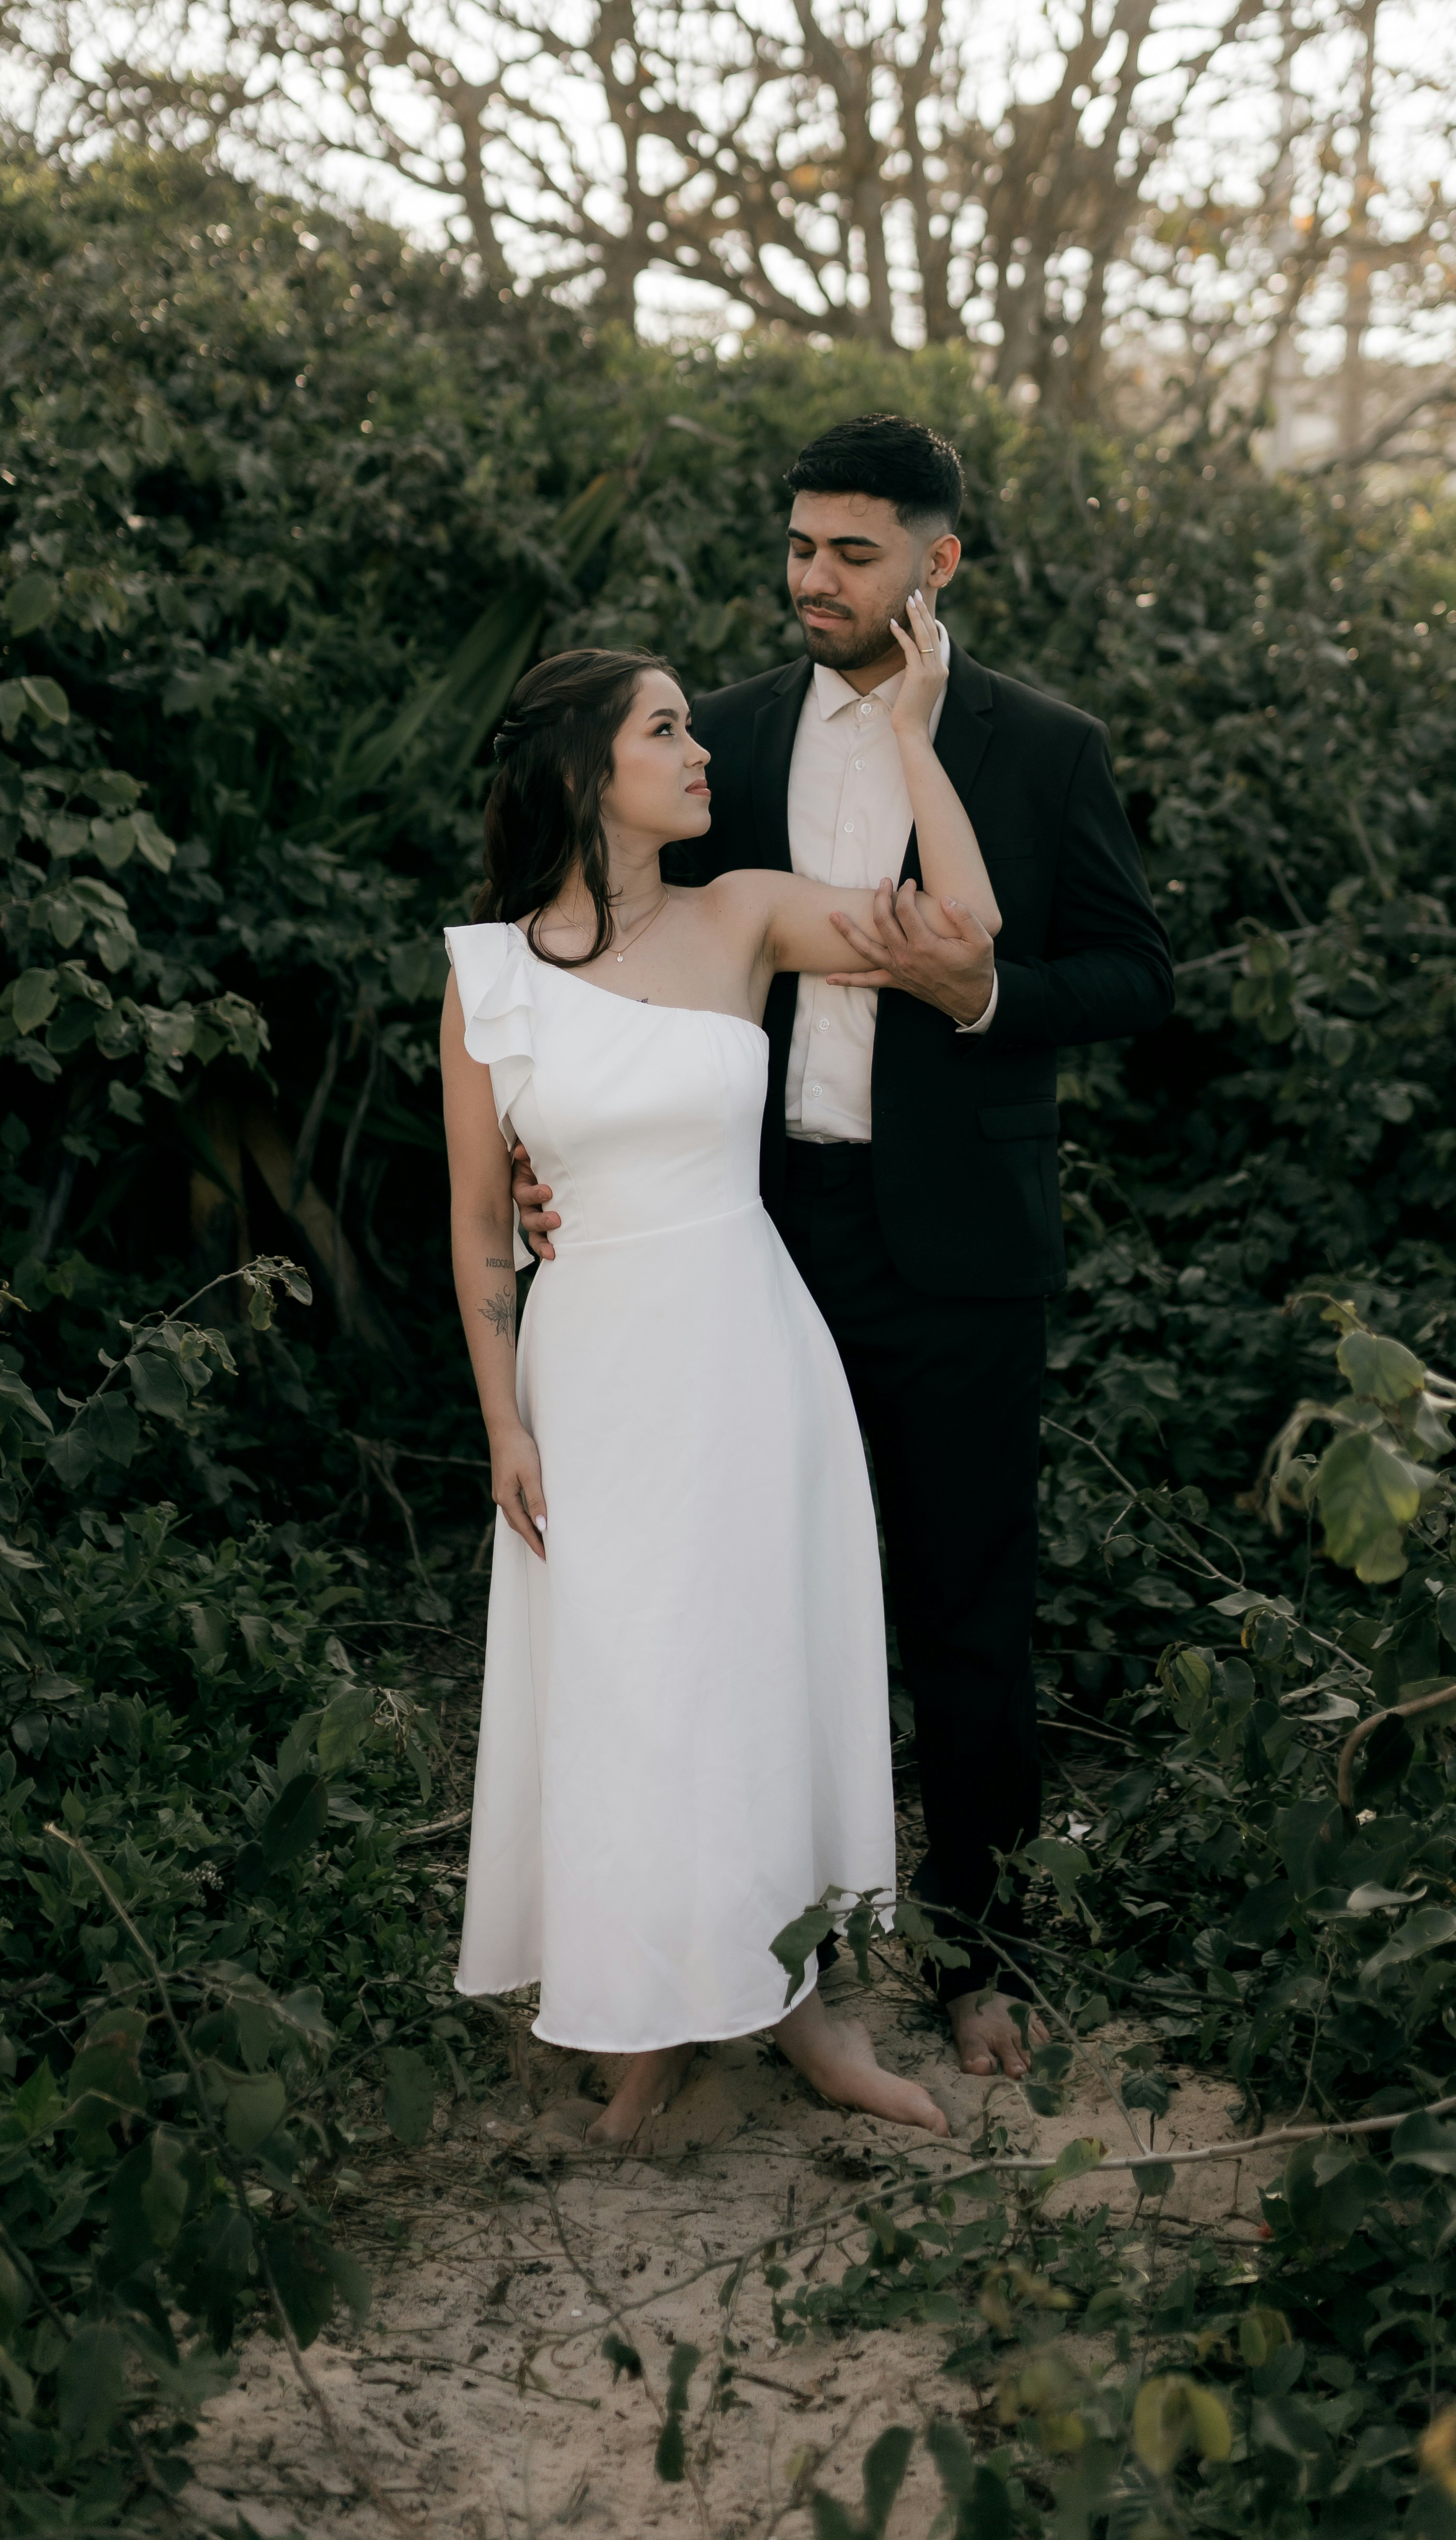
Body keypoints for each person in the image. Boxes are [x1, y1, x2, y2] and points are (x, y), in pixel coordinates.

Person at [516, 417, 1173, 2079]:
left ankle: (977, 1954)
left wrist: (991, 998)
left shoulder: (1043, 746)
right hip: (752, 1238)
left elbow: (1136, 976)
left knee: (967, 1612)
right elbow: (617, 969)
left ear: (937, 564)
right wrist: (563, 1163)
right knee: (742, 1605)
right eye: (801, 546)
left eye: (853, 553)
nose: (814, 579)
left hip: (961, 1250)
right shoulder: (718, 737)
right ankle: (754, 1961)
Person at [440, 595, 1000, 2147]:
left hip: (749, 1351)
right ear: (579, 770)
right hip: (592, 1369)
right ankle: (644, 2025)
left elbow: (963, 934)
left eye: (692, 722)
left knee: (753, 1673)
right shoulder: (488, 976)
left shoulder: (745, 911)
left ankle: (802, 2015)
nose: (700, 752)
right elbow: (482, 1218)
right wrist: (504, 1425)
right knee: (623, 1685)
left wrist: (908, 730)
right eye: (665, 729)